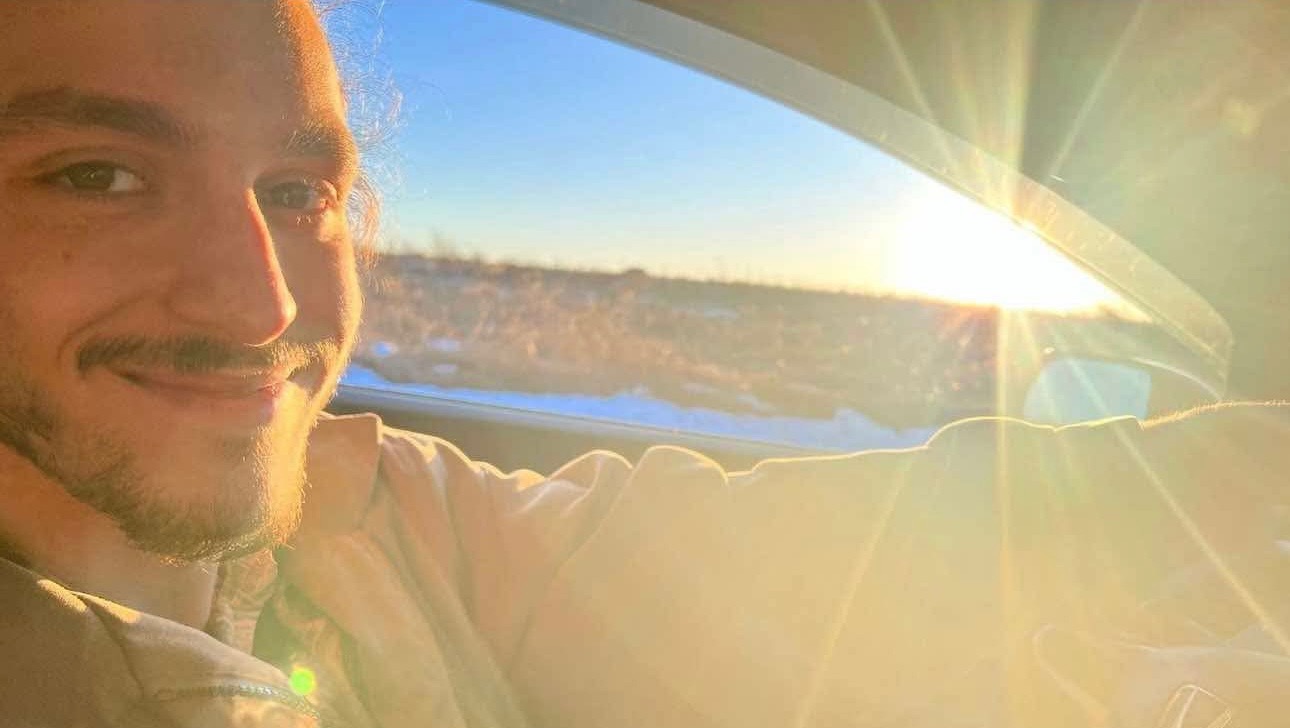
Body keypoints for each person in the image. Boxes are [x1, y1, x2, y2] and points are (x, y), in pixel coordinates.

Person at [0, 2, 1287, 726]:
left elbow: (790, 557)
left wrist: (1227, 470)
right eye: (96, 176)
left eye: (296, 191)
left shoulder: (365, 513)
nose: (261, 303)